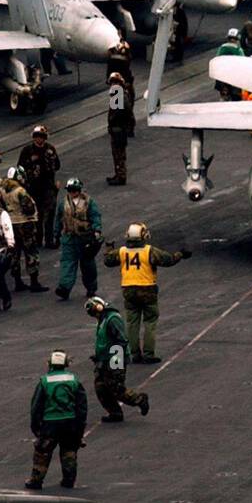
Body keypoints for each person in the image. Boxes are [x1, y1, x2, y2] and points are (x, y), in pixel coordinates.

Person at [105, 222, 190, 364]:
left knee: (132, 323)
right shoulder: (149, 251)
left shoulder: (122, 251)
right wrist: (180, 254)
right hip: (147, 289)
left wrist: (108, 248)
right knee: (150, 321)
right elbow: (168, 260)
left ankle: (135, 353)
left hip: (128, 290)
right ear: (143, 236)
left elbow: (108, 260)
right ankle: (149, 353)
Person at [25, 351, 87, 490]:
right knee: (69, 451)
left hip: (50, 423)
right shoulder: (74, 380)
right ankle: (69, 479)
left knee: (42, 452)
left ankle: (36, 480)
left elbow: (36, 406)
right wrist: (80, 429)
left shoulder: (44, 381)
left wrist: (36, 427)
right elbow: (81, 407)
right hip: (70, 422)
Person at [86, 295, 149, 423]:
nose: (94, 316)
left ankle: (139, 399)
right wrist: (99, 356)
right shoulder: (103, 319)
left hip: (115, 358)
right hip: (104, 359)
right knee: (101, 387)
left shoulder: (112, 319)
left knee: (116, 387)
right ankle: (115, 412)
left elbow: (121, 341)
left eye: (94, 313)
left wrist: (114, 362)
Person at [0, 167, 47, 294]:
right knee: (31, 252)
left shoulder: (2, 190)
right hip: (25, 224)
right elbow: (29, 208)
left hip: (11, 224)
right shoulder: (20, 191)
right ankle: (34, 282)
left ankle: (17, 281)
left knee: (14, 254)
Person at [54, 178, 102, 300]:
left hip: (85, 238)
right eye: (70, 190)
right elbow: (59, 218)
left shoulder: (88, 202)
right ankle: (64, 288)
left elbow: (95, 216)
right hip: (69, 238)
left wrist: (97, 230)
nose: (72, 193)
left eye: (74, 190)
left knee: (88, 265)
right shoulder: (63, 203)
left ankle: (91, 288)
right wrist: (56, 233)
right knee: (67, 263)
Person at [19, 126, 61, 249]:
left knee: (50, 214)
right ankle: (37, 239)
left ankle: (49, 240)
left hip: (48, 187)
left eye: (42, 137)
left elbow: (57, 165)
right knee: (37, 215)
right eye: (37, 136)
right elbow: (20, 167)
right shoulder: (27, 150)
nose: (39, 139)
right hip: (33, 188)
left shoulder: (50, 149)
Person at [106, 71, 133, 186]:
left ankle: (120, 176)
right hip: (119, 128)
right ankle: (119, 174)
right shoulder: (121, 93)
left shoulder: (118, 94)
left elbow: (120, 112)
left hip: (118, 129)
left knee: (118, 153)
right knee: (118, 153)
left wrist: (114, 123)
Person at [214, 28, 245, 100]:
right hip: (235, 77)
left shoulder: (222, 48)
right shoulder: (238, 49)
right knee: (236, 97)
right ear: (238, 38)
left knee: (224, 96)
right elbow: (243, 62)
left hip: (222, 76)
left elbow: (217, 60)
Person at [106, 35, 134, 104]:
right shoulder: (125, 59)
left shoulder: (112, 60)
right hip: (125, 82)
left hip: (119, 82)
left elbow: (109, 72)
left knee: (116, 106)